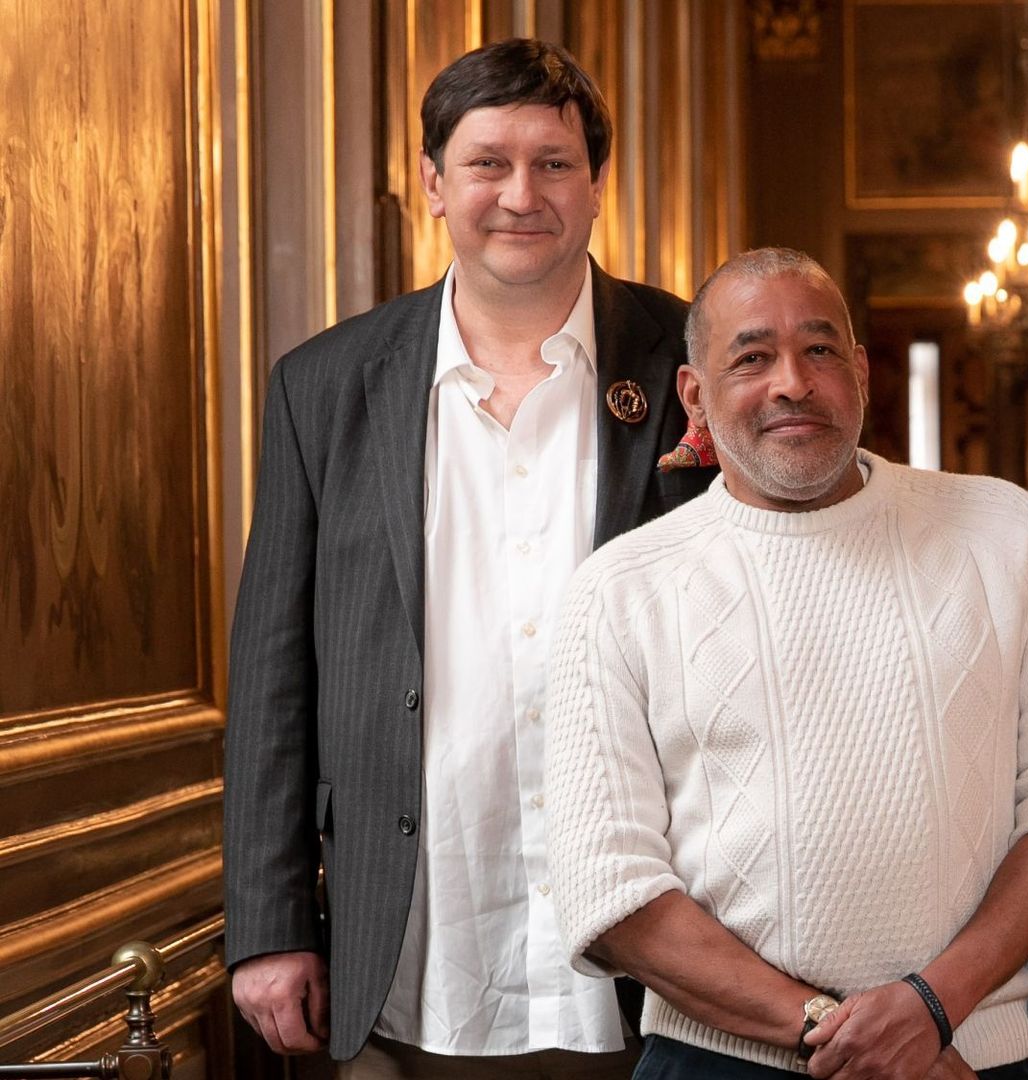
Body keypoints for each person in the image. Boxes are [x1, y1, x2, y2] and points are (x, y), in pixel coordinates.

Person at [223, 38, 716, 1075]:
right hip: (412, 945)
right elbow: (274, 673)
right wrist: (268, 925)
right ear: (435, 183)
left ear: (594, 187)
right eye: (488, 162)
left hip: (659, 939)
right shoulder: (323, 386)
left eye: (554, 162)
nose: (520, 193)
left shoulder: (696, 363)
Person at [542, 247, 1028, 1080]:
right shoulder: (617, 591)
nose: (793, 381)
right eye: (751, 357)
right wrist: (852, 1035)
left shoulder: (1005, 532)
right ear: (693, 396)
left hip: (973, 1052)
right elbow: (609, 886)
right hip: (723, 1065)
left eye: (819, 350)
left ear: (859, 372)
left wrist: (933, 1008)